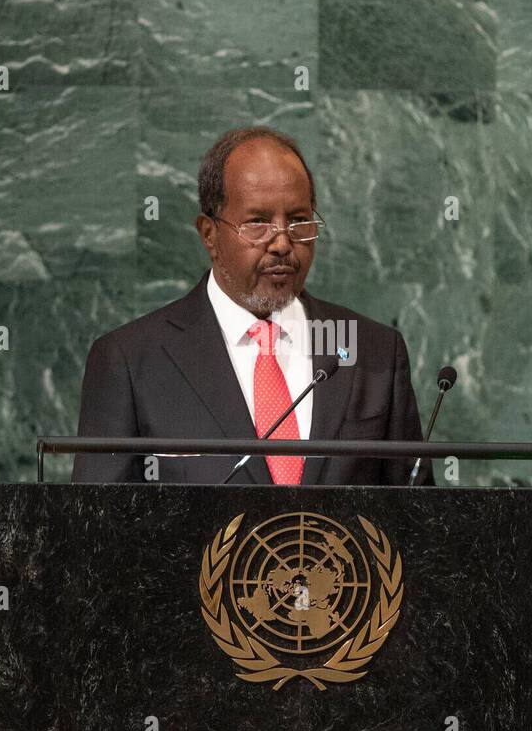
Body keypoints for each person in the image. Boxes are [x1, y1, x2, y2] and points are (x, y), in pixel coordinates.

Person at [70, 126, 428, 485]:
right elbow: (98, 527)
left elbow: (419, 521)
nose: (282, 243)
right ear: (209, 234)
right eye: (258, 223)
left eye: (299, 221)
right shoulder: (130, 361)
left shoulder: (371, 351)